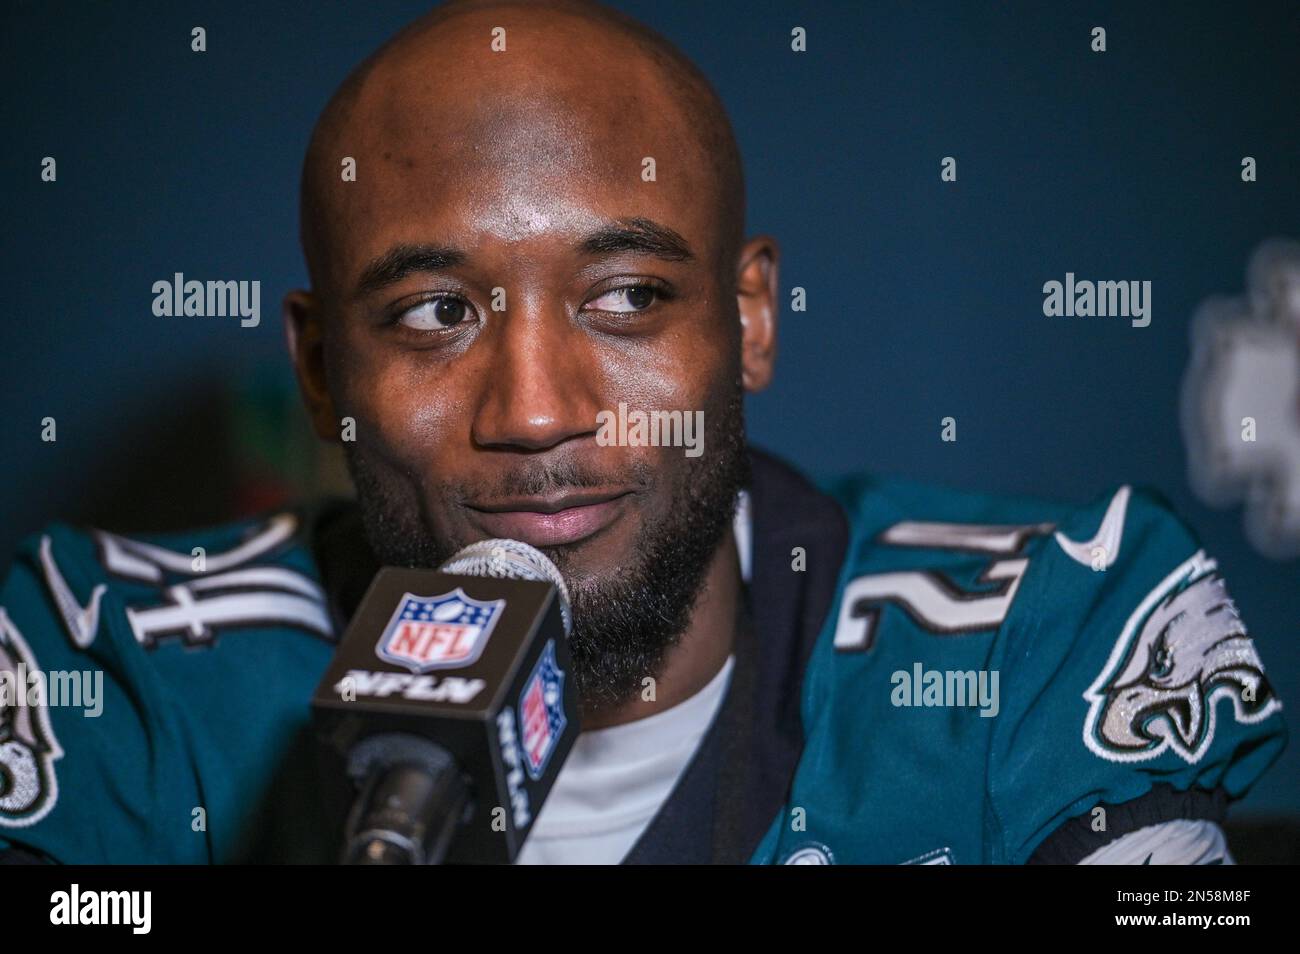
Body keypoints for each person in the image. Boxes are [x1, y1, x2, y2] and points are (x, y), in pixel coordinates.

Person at [0, 0, 1285, 865]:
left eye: (625, 299)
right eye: (436, 312)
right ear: (324, 369)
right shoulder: (117, 680)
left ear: (750, 321)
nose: (538, 412)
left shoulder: (1038, 646)